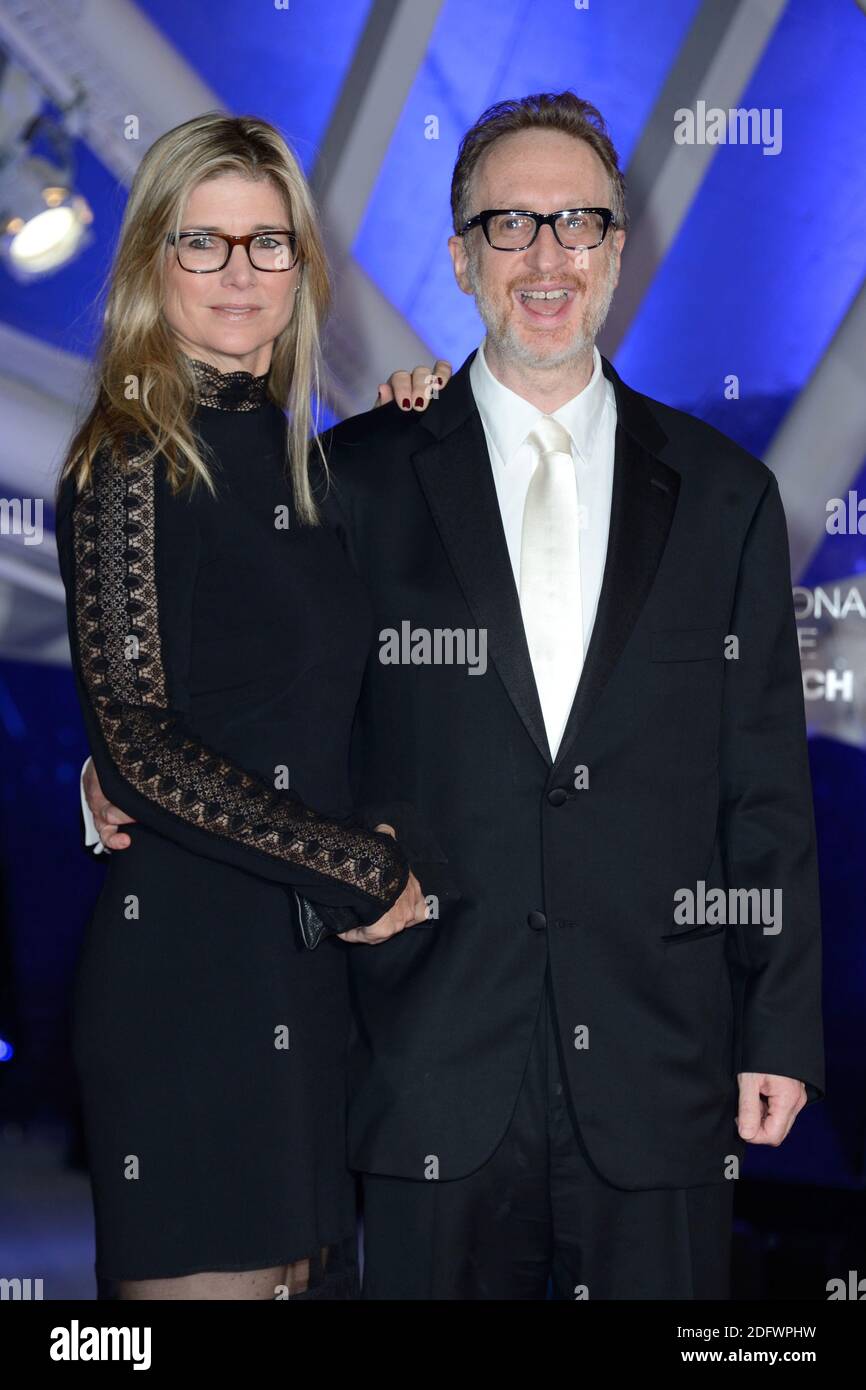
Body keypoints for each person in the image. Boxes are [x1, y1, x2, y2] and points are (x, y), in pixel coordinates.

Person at [86, 91, 825, 1301]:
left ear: (616, 250)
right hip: (419, 1058)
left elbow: (763, 782)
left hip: (661, 1068)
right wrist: (99, 775)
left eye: (577, 222)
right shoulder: (347, 482)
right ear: (459, 257)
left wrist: (778, 1028)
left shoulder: (724, 493)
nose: (545, 256)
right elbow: (258, 692)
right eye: (509, 226)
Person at [58, 111, 437, 1301]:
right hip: (189, 978)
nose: (238, 273)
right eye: (203, 242)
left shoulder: (304, 468)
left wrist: (426, 417)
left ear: (302, 268)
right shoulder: (128, 456)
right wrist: (358, 872)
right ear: (149, 267)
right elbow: (138, 747)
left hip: (306, 979)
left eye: (266, 243)